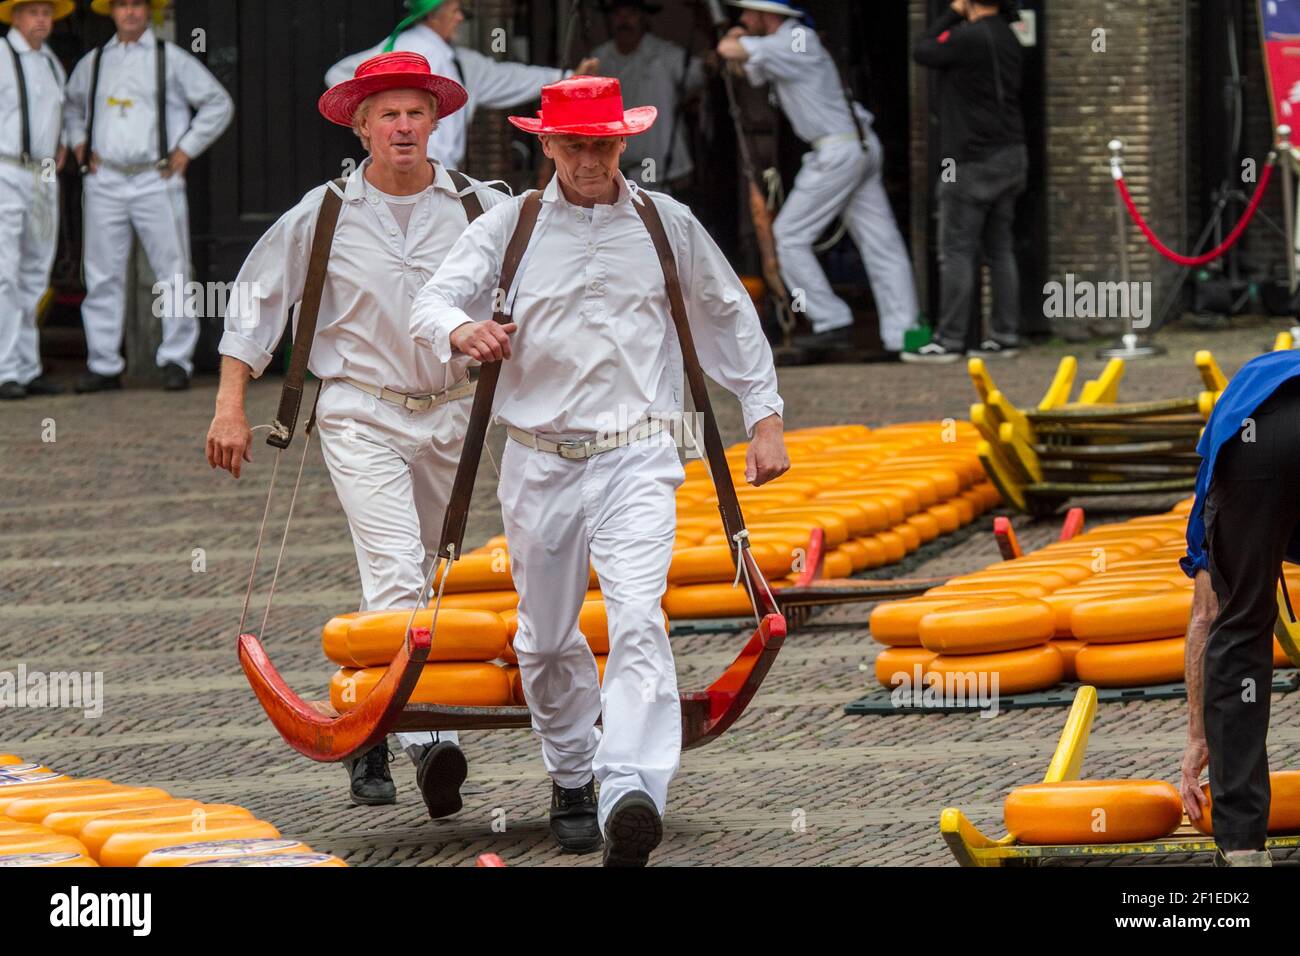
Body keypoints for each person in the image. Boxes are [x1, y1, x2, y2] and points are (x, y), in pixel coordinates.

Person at [409, 76, 788, 865]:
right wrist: (462, 330)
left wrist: (764, 416)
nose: (590, 159)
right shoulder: (509, 227)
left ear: (626, 143)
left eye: (604, 144)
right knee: (545, 641)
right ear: (545, 144)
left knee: (639, 619)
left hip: (640, 452)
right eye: (574, 144)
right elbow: (430, 302)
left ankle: (630, 790)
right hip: (538, 458)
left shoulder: (665, 223)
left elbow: (728, 315)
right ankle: (572, 773)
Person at [207, 52, 509, 818]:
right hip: (358, 409)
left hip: (450, 410)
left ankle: (365, 718)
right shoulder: (326, 210)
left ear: (436, 122)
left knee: (434, 575)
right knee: (395, 569)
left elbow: (534, 295)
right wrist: (229, 405)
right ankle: (424, 743)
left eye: (415, 112)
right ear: (361, 125)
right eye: (387, 114)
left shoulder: (481, 207)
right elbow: (256, 301)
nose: (403, 126)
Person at [716, 0, 919, 360]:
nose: (744, 19)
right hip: (853, 143)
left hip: (836, 150)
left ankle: (830, 321)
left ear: (768, 15)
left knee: (789, 235)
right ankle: (903, 334)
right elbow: (745, 69)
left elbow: (730, 49)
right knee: (881, 243)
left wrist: (732, 33)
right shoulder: (785, 46)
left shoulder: (796, 39)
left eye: (749, 12)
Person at [64, 0, 233, 393]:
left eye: (137, 4)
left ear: (148, 11)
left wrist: (186, 147)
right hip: (105, 179)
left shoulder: (170, 58)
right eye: (122, 5)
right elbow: (71, 108)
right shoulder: (94, 62)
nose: (130, 12)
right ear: (112, 12)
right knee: (102, 273)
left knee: (172, 272)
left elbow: (218, 103)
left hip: (156, 177)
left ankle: (176, 358)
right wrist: (77, 143)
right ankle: (104, 363)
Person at [1180, 350, 1300, 867]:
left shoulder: (1222, 456)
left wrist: (1198, 737)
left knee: (1242, 626)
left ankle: (1245, 847)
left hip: (1262, 439)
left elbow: (1206, 619)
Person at [326, 0, 599, 170]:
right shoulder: (412, 50)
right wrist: (370, 101)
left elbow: (503, 77)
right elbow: (338, 75)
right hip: (420, 172)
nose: (460, 18)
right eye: (455, 9)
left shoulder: (457, 59)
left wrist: (563, 77)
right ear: (434, 15)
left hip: (439, 174)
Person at [910, 0, 1026, 364]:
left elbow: (923, 50)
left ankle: (949, 340)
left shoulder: (967, 37)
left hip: (971, 160)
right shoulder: (1008, 36)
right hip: (1010, 154)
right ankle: (1005, 334)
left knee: (956, 251)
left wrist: (952, 13)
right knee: (1000, 249)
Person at [0, 0, 71, 401]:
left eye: (47, 13)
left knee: (34, 272)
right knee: (5, 272)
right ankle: (5, 367)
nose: (42, 19)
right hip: (7, 168)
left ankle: (26, 367)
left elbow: (55, 112)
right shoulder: (1, 56)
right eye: (33, 12)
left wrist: (60, 143)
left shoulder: (50, 62)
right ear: (16, 16)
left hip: (43, 173)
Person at [589, 0, 705, 193]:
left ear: (643, 18)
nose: (624, 21)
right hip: (611, 163)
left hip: (653, 163)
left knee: (651, 212)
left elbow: (699, 74)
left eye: (631, 13)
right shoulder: (598, 59)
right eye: (619, 14)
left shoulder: (665, 55)